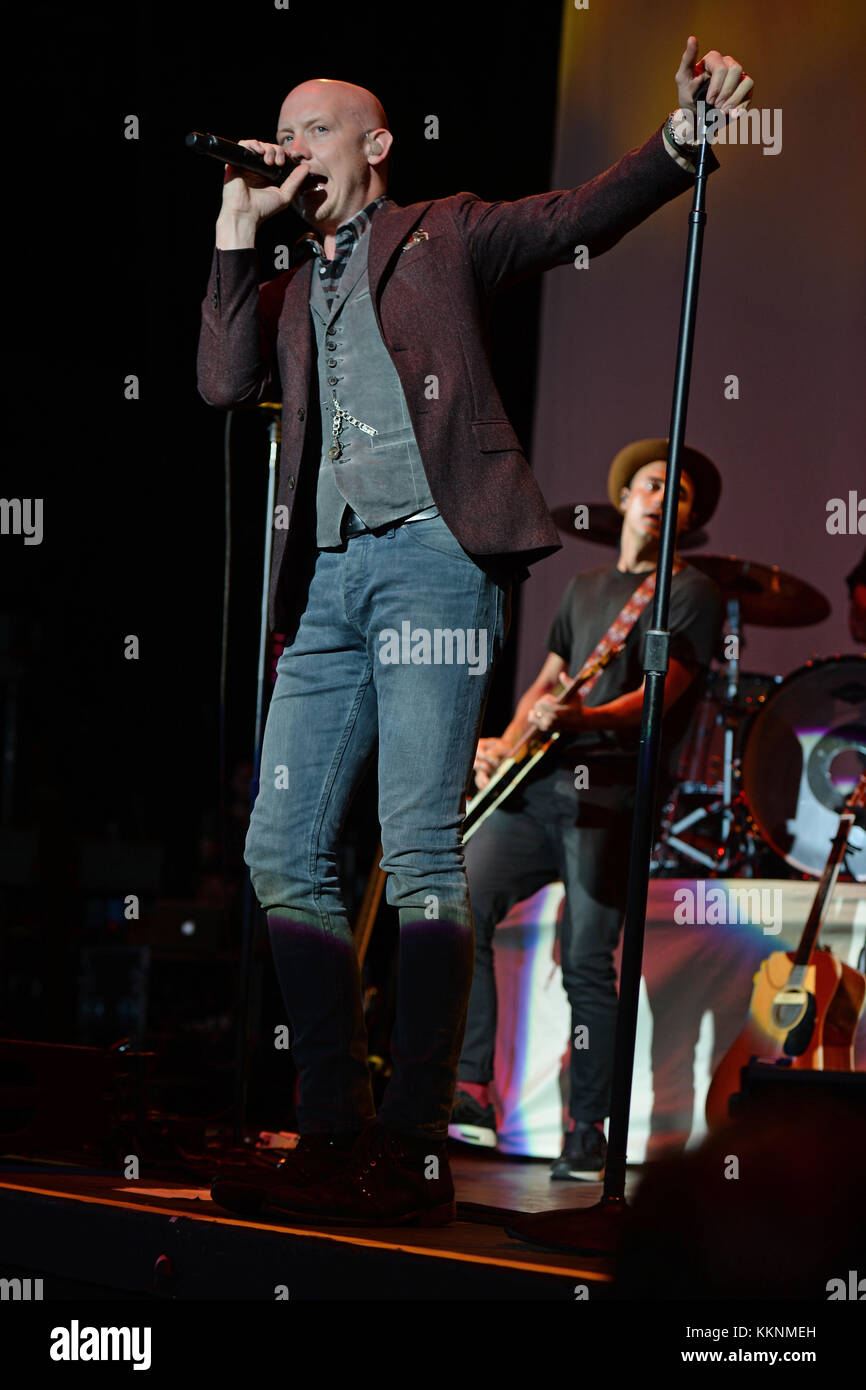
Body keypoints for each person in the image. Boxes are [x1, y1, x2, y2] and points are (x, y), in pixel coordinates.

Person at [197, 42, 753, 1227]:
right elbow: (217, 381)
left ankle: (407, 1143)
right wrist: (238, 233)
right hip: (328, 585)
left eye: (312, 130)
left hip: (433, 569)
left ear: (374, 146)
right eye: (279, 131)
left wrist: (680, 138)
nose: (289, 148)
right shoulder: (290, 285)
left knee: (418, 846)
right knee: (278, 847)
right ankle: (331, 1114)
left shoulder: (442, 233)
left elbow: (574, 215)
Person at [450, 441, 722, 1181]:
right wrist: (502, 746)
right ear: (626, 498)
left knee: (586, 961)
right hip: (540, 787)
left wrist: (586, 724)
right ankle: (470, 1089)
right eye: (654, 484)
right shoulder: (584, 585)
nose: (667, 497)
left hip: (611, 793)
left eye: (683, 495)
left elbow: (658, 704)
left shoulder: (691, 590)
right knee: (461, 894)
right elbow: (550, 680)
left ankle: (586, 1130)